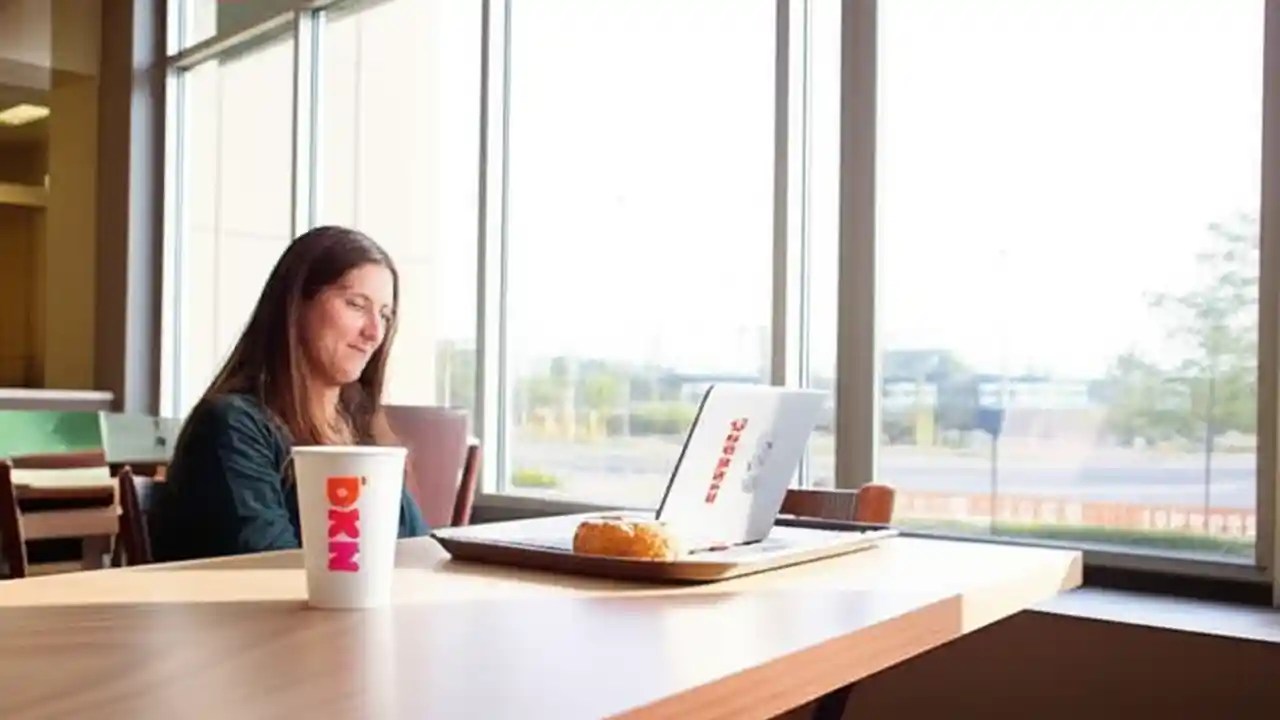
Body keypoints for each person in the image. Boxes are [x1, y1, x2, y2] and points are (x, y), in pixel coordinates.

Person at [149, 225, 429, 562]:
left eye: (385, 315)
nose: (374, 332)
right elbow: (274, 570)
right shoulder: (233, 426)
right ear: (298, 305)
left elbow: (417, 553)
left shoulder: (360, 428)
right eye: (356, 305)